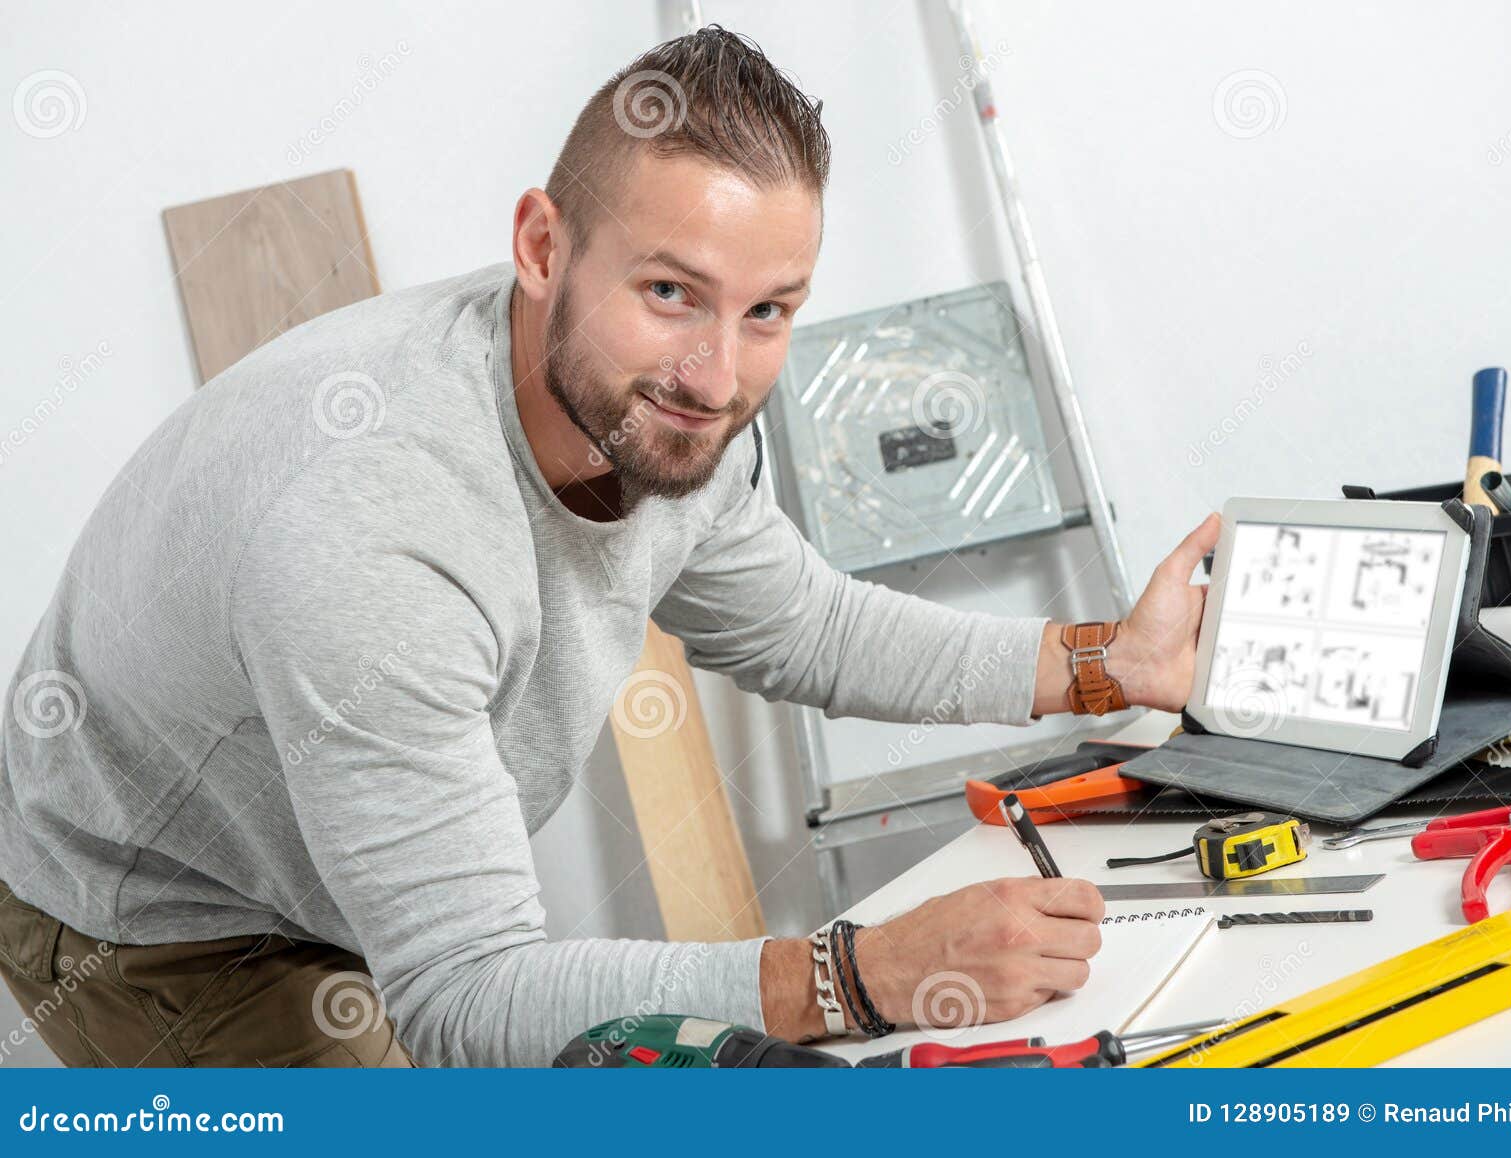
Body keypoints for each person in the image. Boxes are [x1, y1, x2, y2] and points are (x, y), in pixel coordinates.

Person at [0, 27, 1218, 1067]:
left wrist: (1112, 662)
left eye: (767, 312)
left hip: (329, 880)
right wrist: (863, 974)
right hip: (166, 922)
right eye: (670, 293)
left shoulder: (658, 416)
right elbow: (466, 997)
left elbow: (807, 625)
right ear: (540, 246)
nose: (716, 375)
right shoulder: (372, 530)